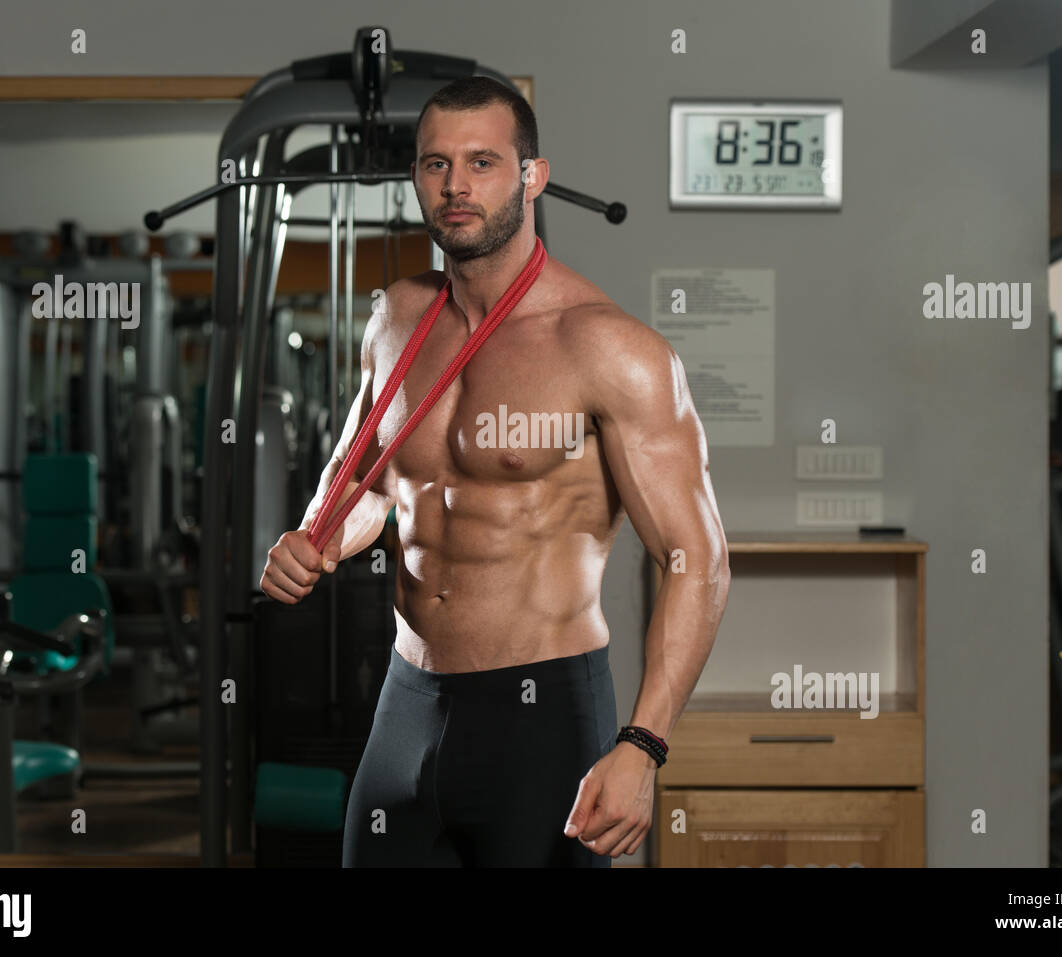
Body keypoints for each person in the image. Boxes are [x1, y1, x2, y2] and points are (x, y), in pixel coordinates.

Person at [261, 76, 729, 867]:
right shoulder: (398, 315)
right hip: (407, 699)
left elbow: (698, 559)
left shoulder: (608, 347)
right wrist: (318, 538)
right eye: (436, 164)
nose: (456, 186)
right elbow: (368, 474)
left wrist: (643, 745)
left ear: (532, 176)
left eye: (483, 162)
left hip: (541, 714)